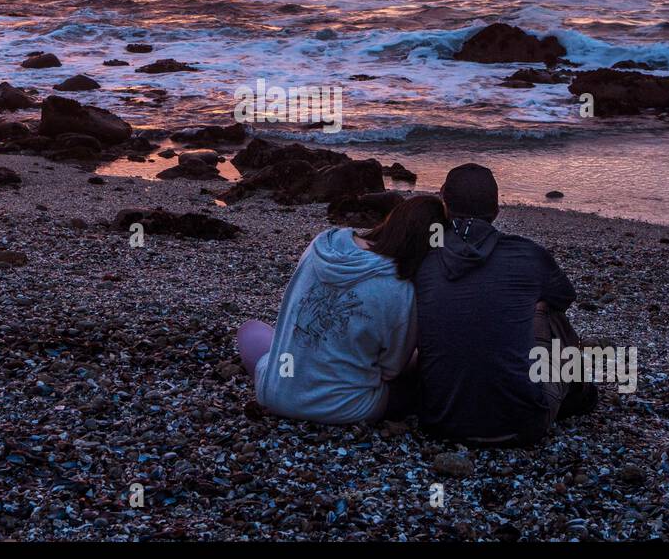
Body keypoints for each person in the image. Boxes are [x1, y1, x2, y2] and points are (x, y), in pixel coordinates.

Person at [415, 163, 596, 444]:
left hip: (440, 421)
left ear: (444, 202)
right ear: (497, 210)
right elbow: (564, 297)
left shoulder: (425, 259)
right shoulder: (527, 254)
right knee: (549, 313)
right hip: (522, 425)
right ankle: (578, 391)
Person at [236, 195, 446, 424]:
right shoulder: (401, 289)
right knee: (421, 374)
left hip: (272, 394)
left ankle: (292, 386)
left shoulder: (322, 244)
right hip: (343, 408)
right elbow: (390, 370)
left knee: (251, 330)